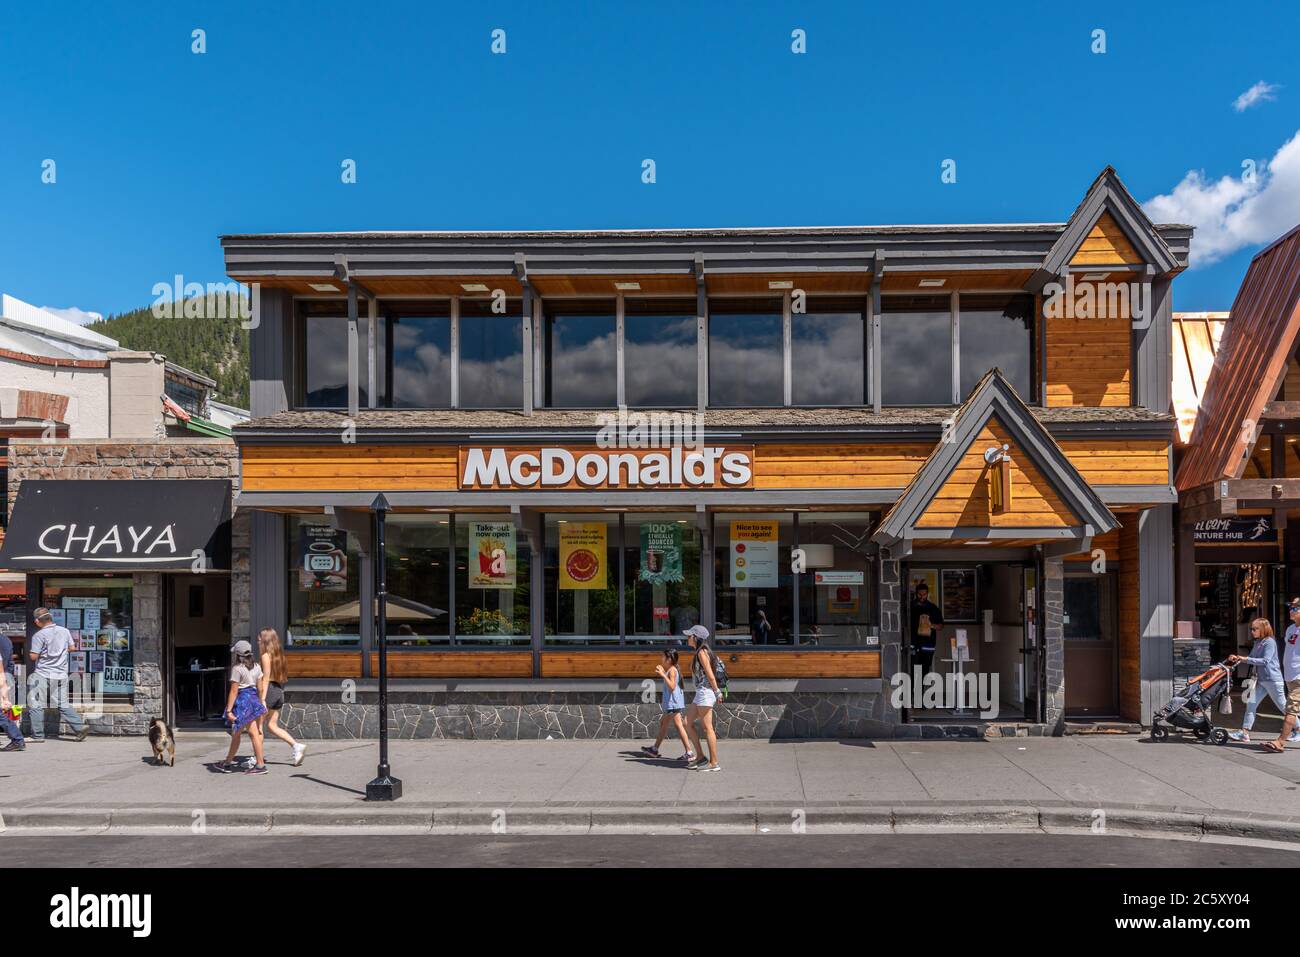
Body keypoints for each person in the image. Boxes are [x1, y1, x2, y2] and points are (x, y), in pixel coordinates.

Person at [26, 607, 88, 743]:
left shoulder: (39, 635)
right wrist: (60, 651)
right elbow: (72, 648)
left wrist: (43, 653)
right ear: (50, 618)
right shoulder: (64, 631)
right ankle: (79, 726)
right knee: (62, 703)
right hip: (61, 674)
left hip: (43, 673)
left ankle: (37, 735)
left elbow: (33, 656)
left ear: (37, 621)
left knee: (35, 703)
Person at [1227, 617, 1287, 742]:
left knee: (1283, 707)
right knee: (1251, 704)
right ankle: (1245, 732)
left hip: (1272, 680)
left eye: (1255, 629)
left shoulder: (1269, 642)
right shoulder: (1258, 642)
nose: (1252, 631)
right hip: (1260, 680)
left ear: (1263, 629)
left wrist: (1245, 659)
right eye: (1251, 629)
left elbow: (1265, 661)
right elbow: (1251, 657)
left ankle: (1297, 728)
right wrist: (1238, 658)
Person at [258, 628, 305, 767]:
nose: (258, 640)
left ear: (265, 639)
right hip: (278, 690)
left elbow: (265, 679)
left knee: (257, 727)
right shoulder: (279, 656)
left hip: (269, 691)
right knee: (272, 726)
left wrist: (262, 699)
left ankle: (257, 759)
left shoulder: (265, 656)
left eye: (260, 637)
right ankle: (296, 746)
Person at [218, 640, 268, 773]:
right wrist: (261, 701)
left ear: (238, 655)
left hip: (243, 702)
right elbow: (261, 688)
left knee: (252, 733)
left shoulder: (237, 669)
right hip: (254, 699)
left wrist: (229, 710)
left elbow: (234, 691)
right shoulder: (257, 666)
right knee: (238, 733)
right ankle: (228, 762)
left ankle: (260, 765)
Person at [641, 648, 695, 763]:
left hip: (673, 704)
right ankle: (687, 752)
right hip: (674, 703)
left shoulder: (672, 670)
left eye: (663, 657)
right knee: (668, 724)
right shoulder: (672, 669)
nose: (661, 658)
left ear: (669, 659)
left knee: (668, 725)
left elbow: (672, 687)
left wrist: (662, 674)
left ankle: (656, 749)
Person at [683, 625, 723, 772]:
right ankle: (700, 757)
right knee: (687, 723)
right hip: (701, 692)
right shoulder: (700, 652)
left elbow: (710, 674)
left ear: (696, 638)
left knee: (707, 728)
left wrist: (717, 692)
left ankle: (714, 762)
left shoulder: (702, 653)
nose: (687, 638)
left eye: (689, 636)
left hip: (706, 692)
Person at [1264, 599, 1300, 753]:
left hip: (1299, 677)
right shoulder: (1291, 629)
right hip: (1290, 677)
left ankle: (1280, 742)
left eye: (1295, 608)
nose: (1291, 610)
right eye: (1290, 608)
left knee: (1291, 709)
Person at [909, 582, 944, 677]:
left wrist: (931, 625)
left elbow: (941, 626)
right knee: (911, 669)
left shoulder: (933, 608)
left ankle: (919, 691)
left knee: (924, 670)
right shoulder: (909, 607)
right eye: (920, 594)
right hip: (913, 644)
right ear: (916, 593)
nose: (922, 597)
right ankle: (912, 691)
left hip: (928, 644)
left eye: (924, 594)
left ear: (927, 594)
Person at [0, 632, 24, 751]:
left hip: (2, 677)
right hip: (5, 676)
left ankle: (17, 738)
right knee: (6, 709)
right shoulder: (7, 640)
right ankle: (17, 737)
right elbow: (10, 662)